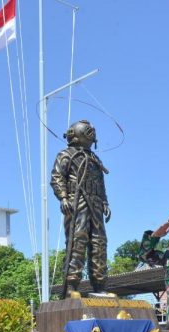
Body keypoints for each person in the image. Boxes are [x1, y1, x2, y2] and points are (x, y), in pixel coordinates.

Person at [51, 120, 111, 296]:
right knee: (78, 241)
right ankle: (71, 286)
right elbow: (57, 177)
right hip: (77, 202)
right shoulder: (66, 154)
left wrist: (105, 202)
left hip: (96, 204)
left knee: (99, 243)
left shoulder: (94, 159)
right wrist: (63, 197)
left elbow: (101, 183)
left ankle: (100, 285)